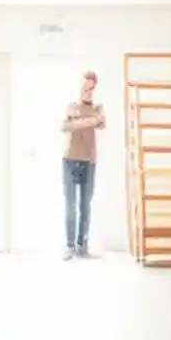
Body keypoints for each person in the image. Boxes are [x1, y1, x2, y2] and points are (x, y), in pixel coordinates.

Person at [61, 70, 104, 260]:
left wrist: (80, 121)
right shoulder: (71, 106)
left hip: (89, 161)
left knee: (85, 206)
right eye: (84, 87)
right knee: (70, 205)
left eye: (90, 88)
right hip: (70, 160)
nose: (87, 91)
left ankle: (82, 247)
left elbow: (101, 123)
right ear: (80, 86)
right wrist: (90, 121)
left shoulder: (98, 108)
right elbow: (65, 126)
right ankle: (69, 247)